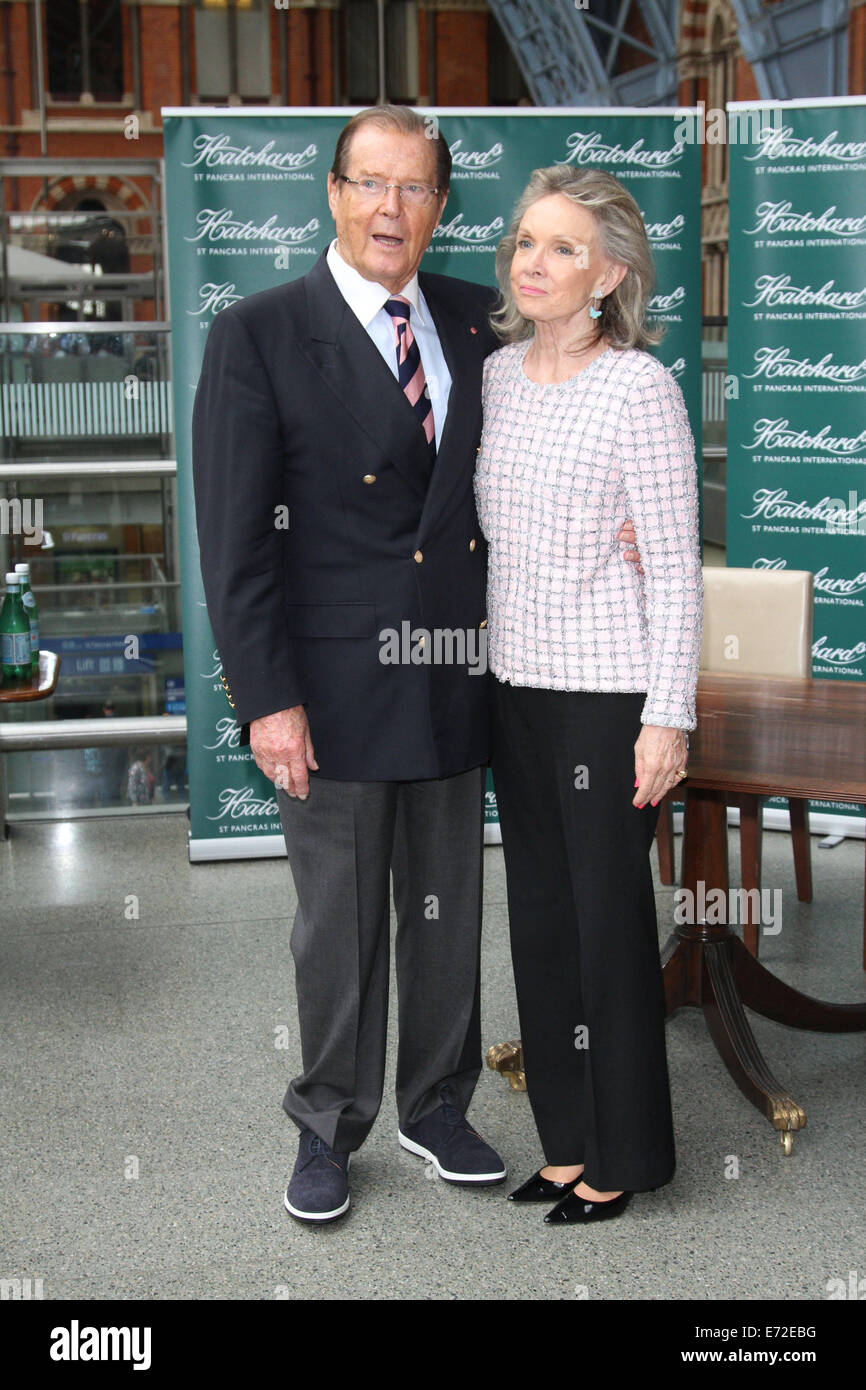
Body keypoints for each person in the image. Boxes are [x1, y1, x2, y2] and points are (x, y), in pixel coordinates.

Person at [193, 107, 642, 1225]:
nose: (391, 208)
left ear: (441, 206)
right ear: (333, 193)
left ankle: (435, 1105)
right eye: (370, 183)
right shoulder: (256, 333)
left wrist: (623, 515)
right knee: (337, 926)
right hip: (332, 691)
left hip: (458, 673)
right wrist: (268, 700)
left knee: (445, 912)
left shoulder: (475, 318)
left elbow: (545, 439)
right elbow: (234, 540)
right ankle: (327, 1123)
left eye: (416, 188)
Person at [474, 166, 702, 1225]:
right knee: (539, 925)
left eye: (563, 248)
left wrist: (668, 715)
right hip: (514, 689)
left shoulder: (638, 387)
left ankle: (624, 1154)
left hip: (608, 697)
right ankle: (563, 1142)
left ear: (608, 273)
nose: (535, 261)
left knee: (608, 932)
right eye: (526, 240)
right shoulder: (496, 379)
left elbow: (673, 564)